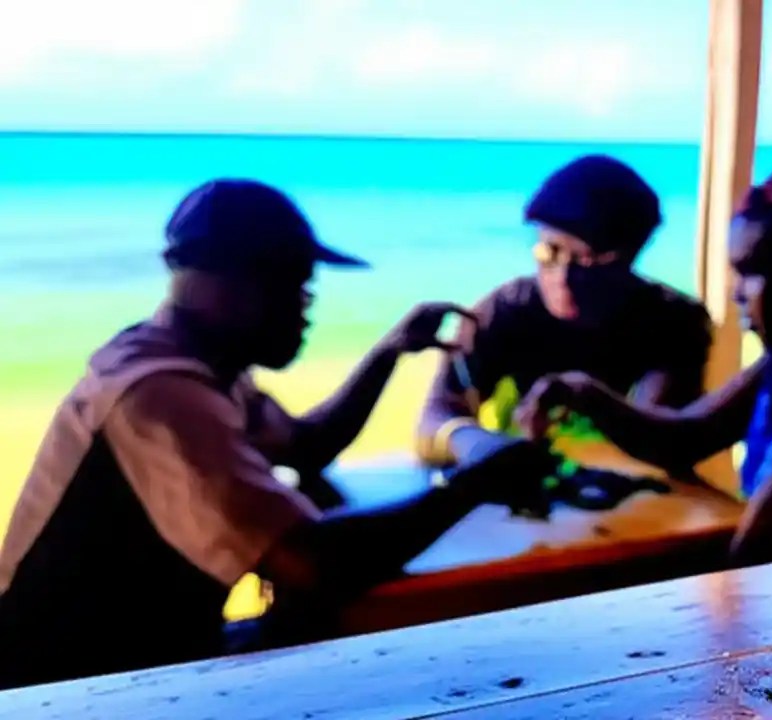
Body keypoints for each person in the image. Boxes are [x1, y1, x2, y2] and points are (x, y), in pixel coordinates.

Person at [0, 179, 558, 690]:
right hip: (68, 686)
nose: (305, 311)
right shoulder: (159, 394)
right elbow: (312, 566)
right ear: (232, 285)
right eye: (296, 286)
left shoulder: (193, 367)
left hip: (142, 661)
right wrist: (469, 487)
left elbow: (309, 444)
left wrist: (389, 353)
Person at [515, 159, 772, 566]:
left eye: (752, 272)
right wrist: (583, 393)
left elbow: (761, 544)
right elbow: (687, 437)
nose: (736, 294)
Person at [417, 154, 713, 472]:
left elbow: (662, 444)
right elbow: (437, 416)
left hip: (636, 498)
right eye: (550, 251)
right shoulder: (506, 311)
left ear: (630, 256)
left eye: (588, 259)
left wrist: (587, 398)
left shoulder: (672, 323)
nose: (563, 276)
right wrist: (476, 443)